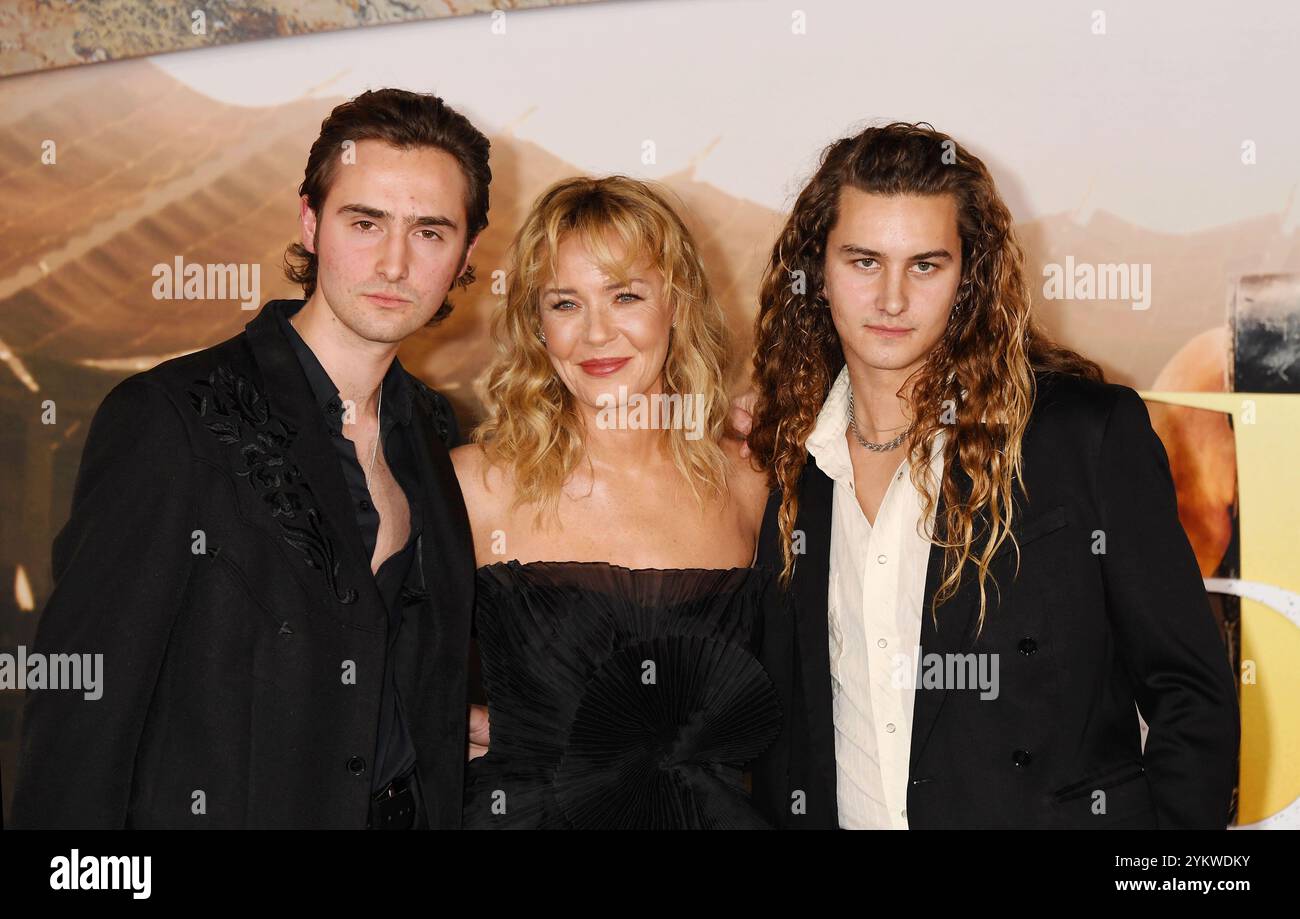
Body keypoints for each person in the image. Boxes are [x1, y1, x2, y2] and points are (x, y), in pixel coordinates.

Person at [736, 122, 1240, 829]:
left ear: (969, 275)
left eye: (925, 264)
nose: (889, 298)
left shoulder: (1082, 437)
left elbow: (1192, 691)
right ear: (817, 271)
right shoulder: (789, 461)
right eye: (863, 261)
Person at [11, 88, 490, 829]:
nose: (395, 263)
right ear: (311, 221)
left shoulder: (432, 427)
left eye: (430, 232)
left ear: (466, 253)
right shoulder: (173, 418)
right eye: (365, 222)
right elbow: (82, 712)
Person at [451, 175, 775, 829]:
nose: (597, 333)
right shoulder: (474, 488)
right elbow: (353, 655)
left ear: (675, 304)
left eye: (626, 295)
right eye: (565, 303)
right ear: (536, 325)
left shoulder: (752, 489)